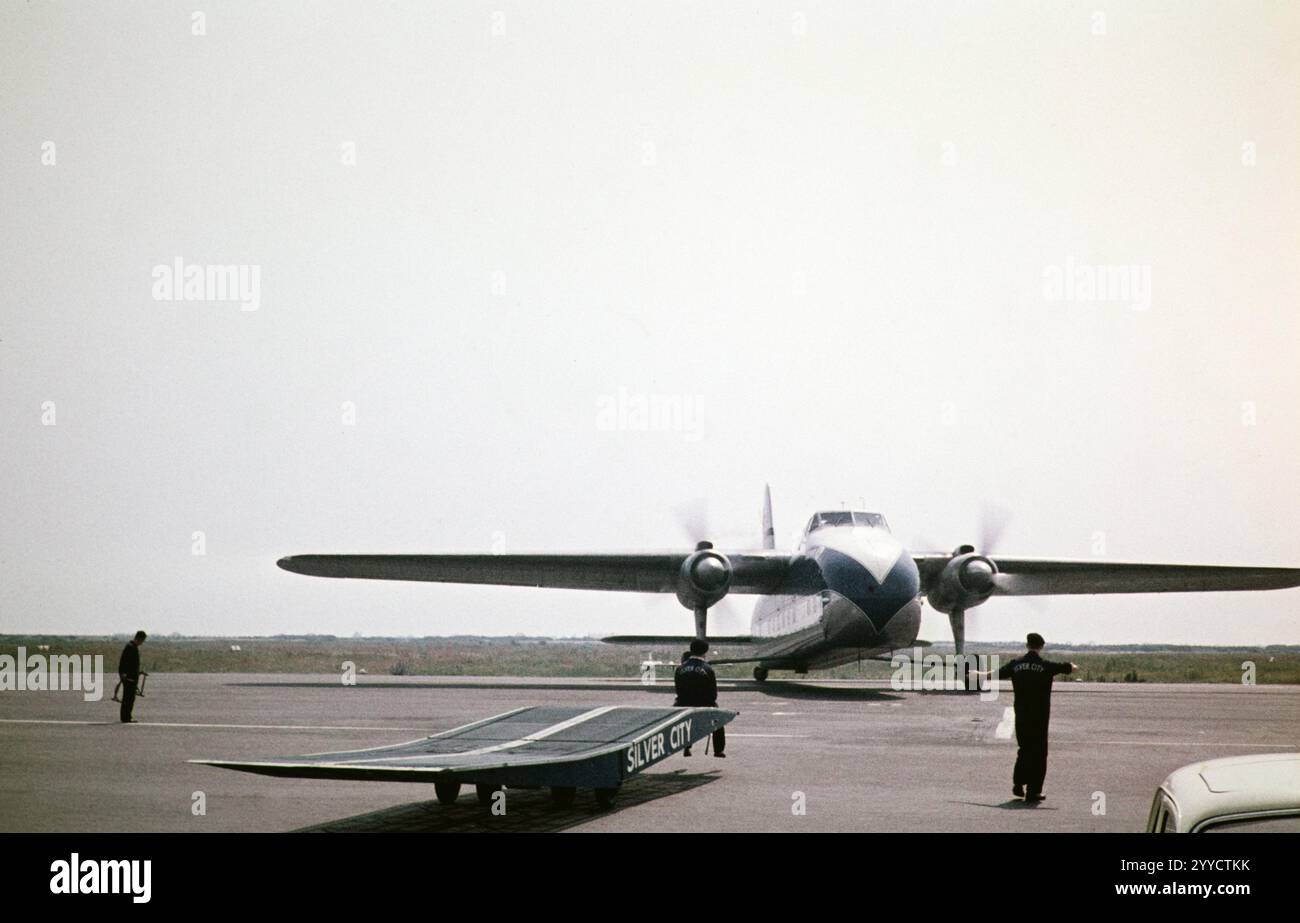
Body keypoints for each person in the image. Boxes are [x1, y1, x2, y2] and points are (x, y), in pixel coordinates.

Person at [976, 633, 1076, 803]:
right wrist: (1073, 666)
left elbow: (996, 674)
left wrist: (978, 673)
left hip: (1021, 713)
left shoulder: (1016, 664)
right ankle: (1033, 791)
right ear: (1041, 646)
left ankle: (1018, 783)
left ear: (1027, 645)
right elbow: (1070, 668)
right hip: (1039, 716)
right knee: (1039, 752)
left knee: (1024, 749)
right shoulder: (1045, 665)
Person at [674, 639, 725, 758]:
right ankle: (718, 750)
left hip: (683, 704)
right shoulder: (708, 669)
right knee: (719, 720)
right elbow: (713, 694)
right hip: (704, 704)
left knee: (686, 722)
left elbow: (678, 689)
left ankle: (687, 747)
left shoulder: (680, 669)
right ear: (705, 652)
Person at [117, 631, 147, 723]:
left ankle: (127, 716)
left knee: (130, 697)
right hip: (128, 677)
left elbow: (132, 664)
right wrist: (123, 673)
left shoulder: (133, 647)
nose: (142, 643)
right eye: (142, 640)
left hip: (132, 676)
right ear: (139, 638)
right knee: (128, 697)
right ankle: (125, 717)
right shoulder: (130, 647)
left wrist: (139, 672)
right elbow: (124, 662)